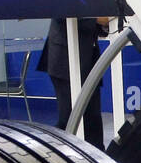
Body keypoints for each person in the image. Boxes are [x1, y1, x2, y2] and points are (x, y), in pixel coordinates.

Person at [38, 16, 110, 145]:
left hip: (89, 60)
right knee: (70, 118)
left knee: (92, 117)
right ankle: (56, 155)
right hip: (64, 60)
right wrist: (96, 19)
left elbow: (100, 25)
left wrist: (106, 23)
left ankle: (97, 158)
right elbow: (61, 11)